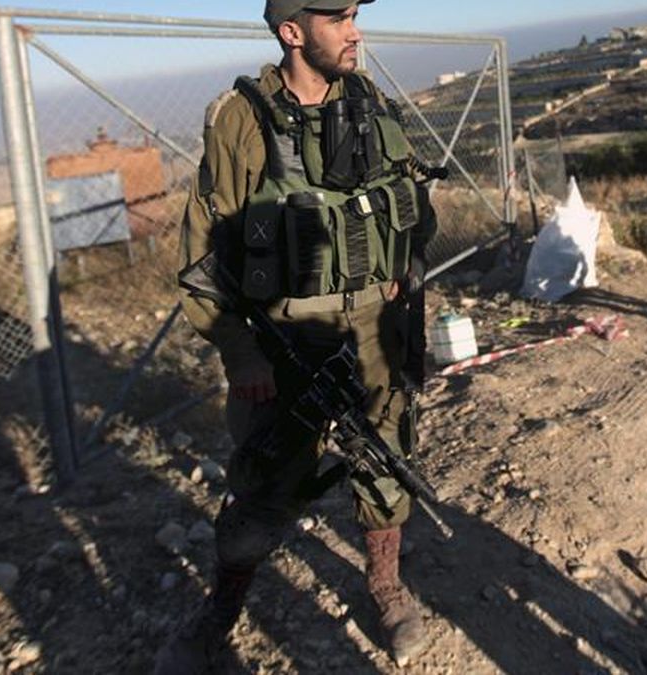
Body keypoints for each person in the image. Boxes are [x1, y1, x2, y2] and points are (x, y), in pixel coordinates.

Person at [156, 0, 438, 670]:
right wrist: (240, 351)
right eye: (338, 19)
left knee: (384, 464)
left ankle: (386, 587)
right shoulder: (242, 120)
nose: (355, 31)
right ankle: (220, 612)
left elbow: (412, 206)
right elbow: (204, 254)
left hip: (375, 332)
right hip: (286, 343)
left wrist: (401, 276)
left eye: (355, 15)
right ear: (291, 32)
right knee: (262, 486)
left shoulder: (370, 102)